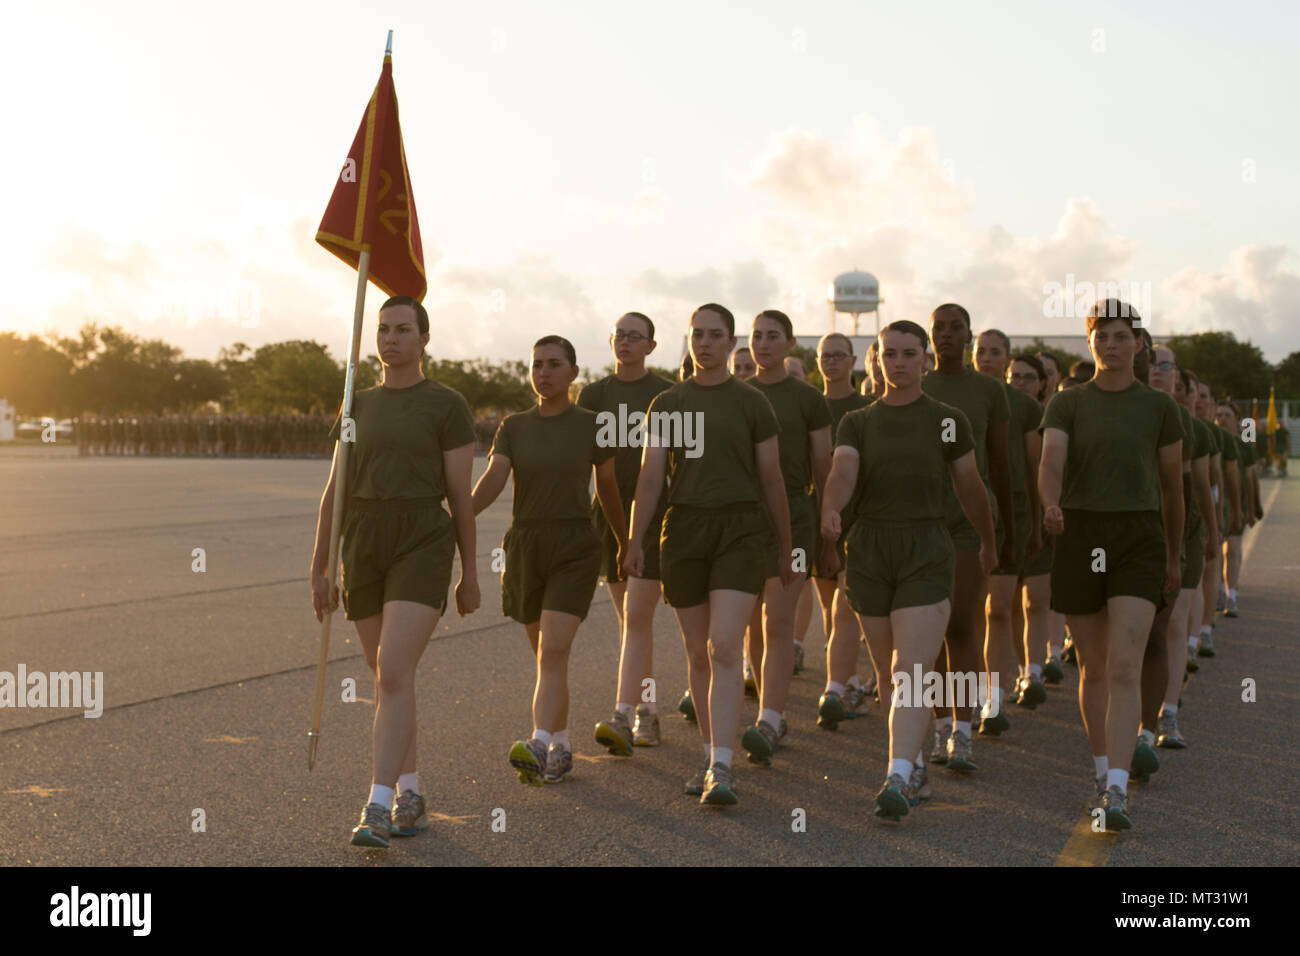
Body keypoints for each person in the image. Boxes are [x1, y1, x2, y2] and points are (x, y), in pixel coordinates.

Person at [312, 295, 480, 848]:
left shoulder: (447, 404)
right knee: (389, 678)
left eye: (403, 330)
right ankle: (411, 792)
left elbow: (459, 495)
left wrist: (470, 572)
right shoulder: (356, 403)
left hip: (421, 540)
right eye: (383, 329)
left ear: (424, 339)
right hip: (363, 541)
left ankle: (377, 805)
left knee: (390, 672)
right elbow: (335, 490)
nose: (390, 339)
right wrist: (320, 567)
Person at [821, 320, 994, 819]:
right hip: (870, 550)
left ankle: (895, 775)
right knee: (886, 673)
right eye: (889, 353)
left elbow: (970, 485)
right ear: (877, 359)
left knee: (911, 671)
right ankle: (914, 763)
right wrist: (832, 509)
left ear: (925, 359)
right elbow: (842, 471)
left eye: (908, 353)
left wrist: (988, 539)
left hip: (925, 546)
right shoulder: (857, 420)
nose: (898, 361)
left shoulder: (947, 419)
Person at [625, 303, 793, 806]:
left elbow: (772, 478)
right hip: (684, 530)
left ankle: (723, 766)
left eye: (715, 335)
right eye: (697, 335)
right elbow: (652, 476)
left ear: (730, 342)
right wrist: (633, 540)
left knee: (724, 645)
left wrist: (787, 546)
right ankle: (708, 753)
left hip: (741, 529)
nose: (704, 343)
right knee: (698, 653)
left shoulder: (752, 403)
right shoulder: (667, 404)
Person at [1039, 299, 1183, 830]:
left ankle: (1118, 789)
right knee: (1094, 666)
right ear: (1091, 342)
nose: (1112, 345)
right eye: (1103, 336)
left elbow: (1172, 489)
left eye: (1123, 336)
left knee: (1125, 663)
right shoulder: (1068, 403)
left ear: (1138, 344)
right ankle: (1102, 771)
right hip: (1079, 531)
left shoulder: (1159, 408)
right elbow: (1051, 457)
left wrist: (1174, 554)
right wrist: (1050, 503)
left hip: (1138, 536)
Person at [472, 336, 625, 787]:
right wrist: (457, 515)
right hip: (526, 545)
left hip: (576, 544)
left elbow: (610, 488)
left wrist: (625, 540)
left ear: (574, 373)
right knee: (546, 658)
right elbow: (494, 478)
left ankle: (538, 742)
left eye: (554, 364)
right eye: (537, 364)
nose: (543, 373)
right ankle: (560, 746)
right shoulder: (513, 427)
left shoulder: (595, 424)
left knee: (555, 650)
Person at [921, 304, 1014, 765]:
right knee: (931, 628)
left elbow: (1000, 463)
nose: (946, 334)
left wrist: (1011, 529)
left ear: (970, 336)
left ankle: (963, 727)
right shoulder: (913, 385)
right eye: (939, 327)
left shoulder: (988, 391)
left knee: (961, 622)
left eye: (956, 327)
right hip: (919, 518)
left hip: (970, 520)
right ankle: (940, 726)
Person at [741, 310, 832, 766]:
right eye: (756, 336)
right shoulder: (737, 394)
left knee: (778, 620)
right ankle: (766, 707)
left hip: (795, 515)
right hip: (742, 519)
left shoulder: (808, 399)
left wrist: (830, 529)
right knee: (749, 623)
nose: (763, 344)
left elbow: (823, 468)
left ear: (791, 344)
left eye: (773, 337)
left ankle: (771, 719)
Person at [581, 313, 675, 753]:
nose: (625, 342)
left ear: (651, 346)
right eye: (619, 335)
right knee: (629, 621)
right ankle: (646, 709)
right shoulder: (594, 394)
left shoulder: (667, 394)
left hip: (653, 515)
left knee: (638, 618)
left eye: (635, 337)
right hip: (607, 515)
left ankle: (642, 712)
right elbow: (584, 460)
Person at [974, 331, 1046, 711]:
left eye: (995, 352)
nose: (987, 358)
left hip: (1010, 514)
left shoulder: (1024, 408)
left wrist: (1034, 525)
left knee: (999, 608)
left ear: (1007, 358)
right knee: (965, 615)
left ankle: (995, 695)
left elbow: (1035, 469)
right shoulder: (954, 398)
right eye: (981, 351)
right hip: (960, 515)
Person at [812, 332, 876, 729]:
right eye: (825, 356)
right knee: (827, 604)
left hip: (856, 520)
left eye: (839, 356)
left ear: (852, 360)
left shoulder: (866, 408)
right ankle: (849, 679)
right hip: (815, 515)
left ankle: (838, 686)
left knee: (846, 606)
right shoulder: (810, 405)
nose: (832, 362)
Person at [1011, 354, 1064, 687]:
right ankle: (1023, 671)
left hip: (1045, 515)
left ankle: (1040, 662)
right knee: (1005, 605)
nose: (1020, 383)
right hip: (1008, 517)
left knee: (1037, 599)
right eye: (1013, 376)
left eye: (1028, 377)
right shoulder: (1002, 415)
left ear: (1043, 382)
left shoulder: (1053, 416)